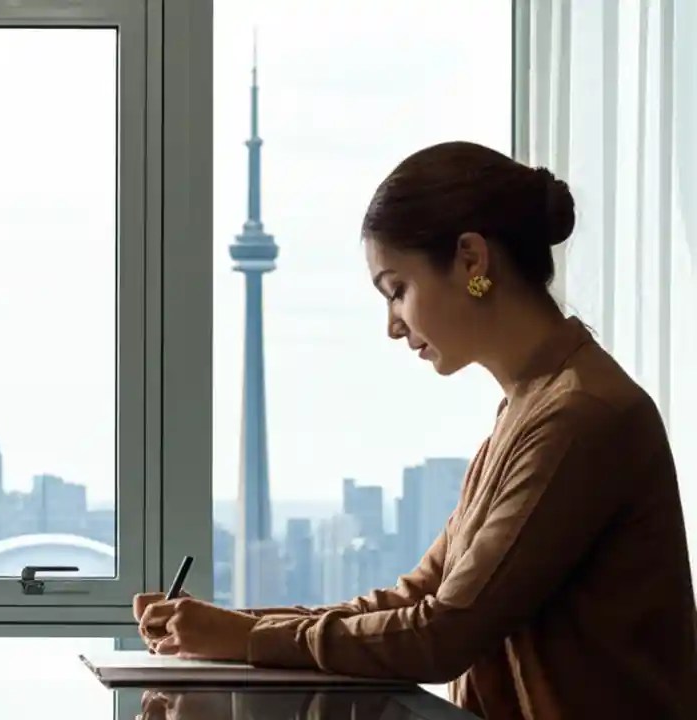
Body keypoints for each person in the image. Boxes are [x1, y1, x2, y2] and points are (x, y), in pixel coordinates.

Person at [133, 141, 697, 718]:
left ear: (473, 260)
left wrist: (247, 639)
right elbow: (417, 597)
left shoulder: (581, 417)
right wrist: (235, 627)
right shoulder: (530, 411)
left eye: (397, 289)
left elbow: (442, 635)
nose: (393, 326)